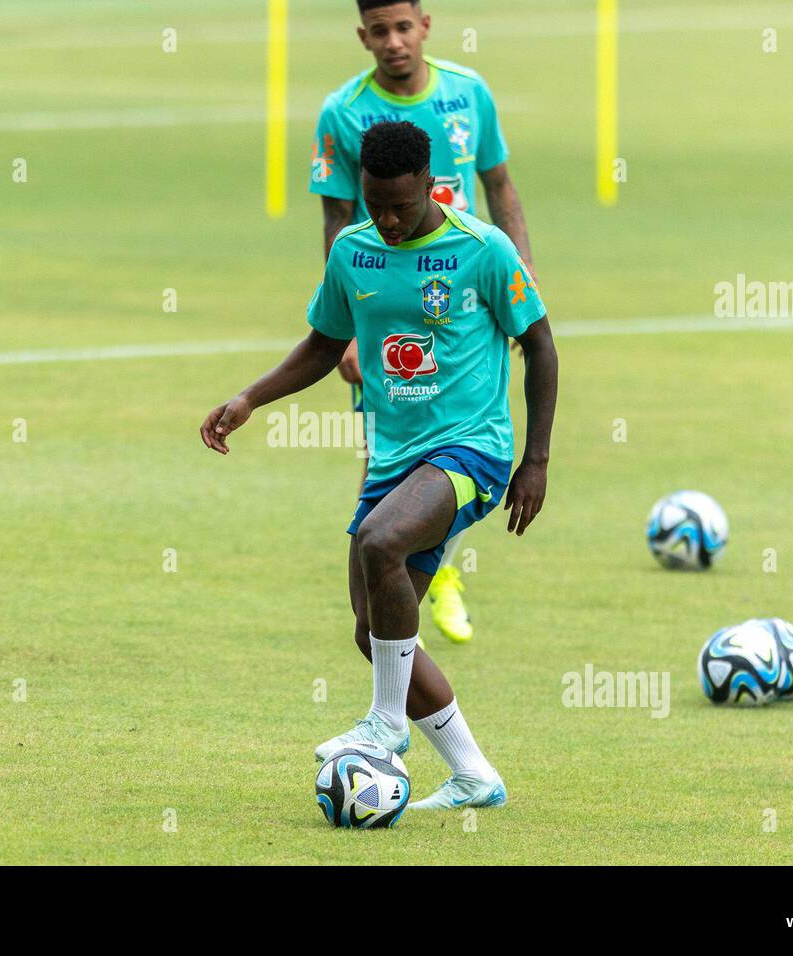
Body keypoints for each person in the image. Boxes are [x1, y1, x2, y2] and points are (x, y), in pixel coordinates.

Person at [202, 121, 557, 809]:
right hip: (392, 457)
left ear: (431, 185)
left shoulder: (483, 250)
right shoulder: (353, 252)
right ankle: (475, 777)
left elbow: (540, 346)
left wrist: (535, 459)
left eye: (401, 205)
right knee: (374, 630)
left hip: (472, 449)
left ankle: (386, 725)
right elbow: (321, 343)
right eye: (374, 204)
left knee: (381, 542)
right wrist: (250, 398)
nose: (387, 219)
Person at [310, 0, 536, 644]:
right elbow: (335, 219)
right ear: (363, 36)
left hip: (465, 291)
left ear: (425, 25)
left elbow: (500, 185)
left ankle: (433, 571)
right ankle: (400, 572)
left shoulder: (468, 94)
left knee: (461, 433)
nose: (394, 42)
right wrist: (351, 323)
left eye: (403, 27)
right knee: (386, 442)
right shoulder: (343, 112)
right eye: (379, 31)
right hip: (385, 301)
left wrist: (525, 271)